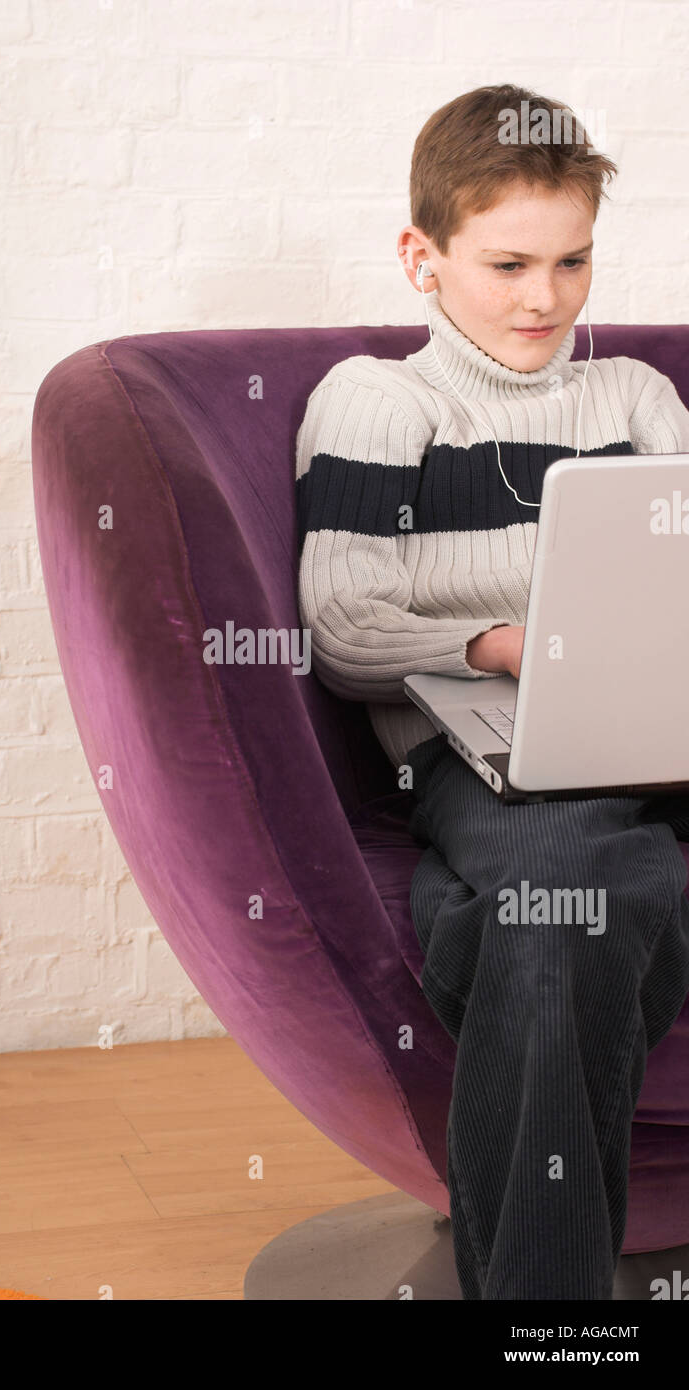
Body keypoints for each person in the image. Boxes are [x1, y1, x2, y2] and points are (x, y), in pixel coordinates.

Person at [295, 83, 689, 1300]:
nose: (545, 297)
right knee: (560, 898)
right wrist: (508, 645)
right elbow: (345, 627)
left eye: (573, 261)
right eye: (509, 262)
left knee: (527, 917)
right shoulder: (380, 400)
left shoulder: (631, 399)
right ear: (423, 258)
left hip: (654, 723)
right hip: (485, 745)